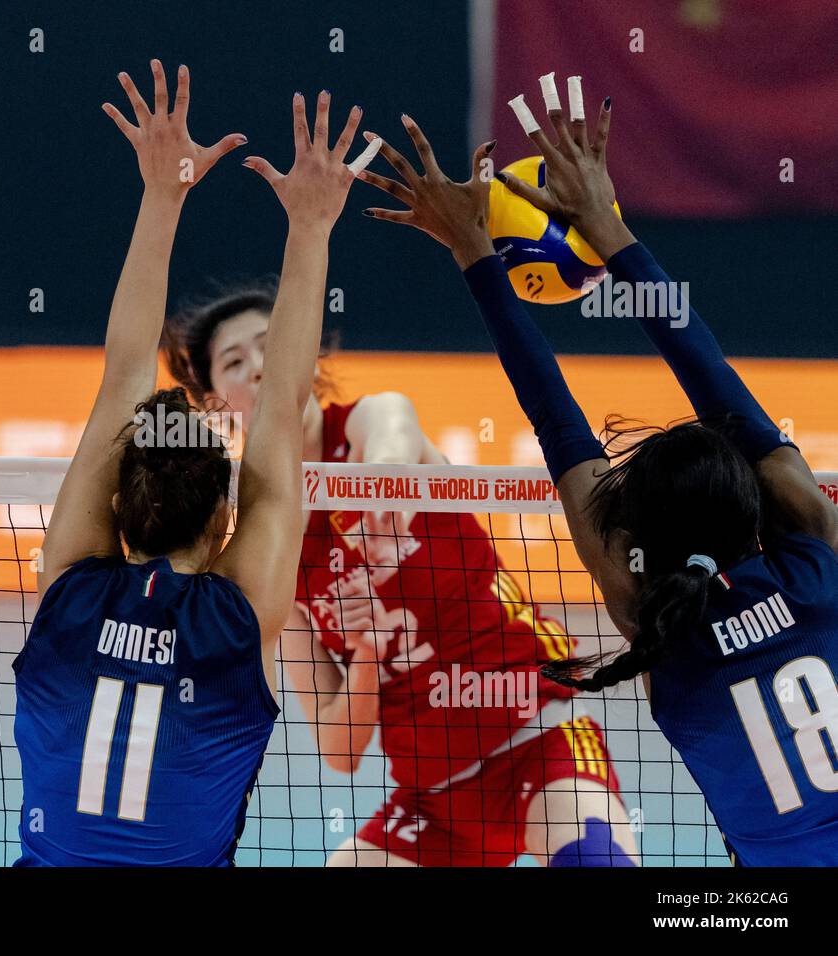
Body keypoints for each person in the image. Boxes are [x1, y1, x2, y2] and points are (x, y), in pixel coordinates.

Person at [359, 74, 838, 865]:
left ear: (640, 540)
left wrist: (475, 251)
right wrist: (611, 233)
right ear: (757, 507)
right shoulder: (816, 564)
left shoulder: (654, 626)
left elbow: (559, 426)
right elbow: (718, 383)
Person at [12, 62, 360, 865]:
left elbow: (124, 377)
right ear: (224, 520)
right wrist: (312, 228)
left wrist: (162, 193)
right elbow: (282, 411)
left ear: (123, 505)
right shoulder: (236, 620)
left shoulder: (68, 593)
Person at [163, 286, 635, 868]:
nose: (261, 367)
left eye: (273, 345)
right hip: (433, 800)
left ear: (306, 353)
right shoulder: (270, 549)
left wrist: (381, 493)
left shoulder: (369, 419)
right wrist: (363, 653)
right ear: (215, 400)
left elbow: (391, 438)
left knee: (594, 862)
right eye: (235, 362)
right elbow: (340, 751)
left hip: (541, 740)